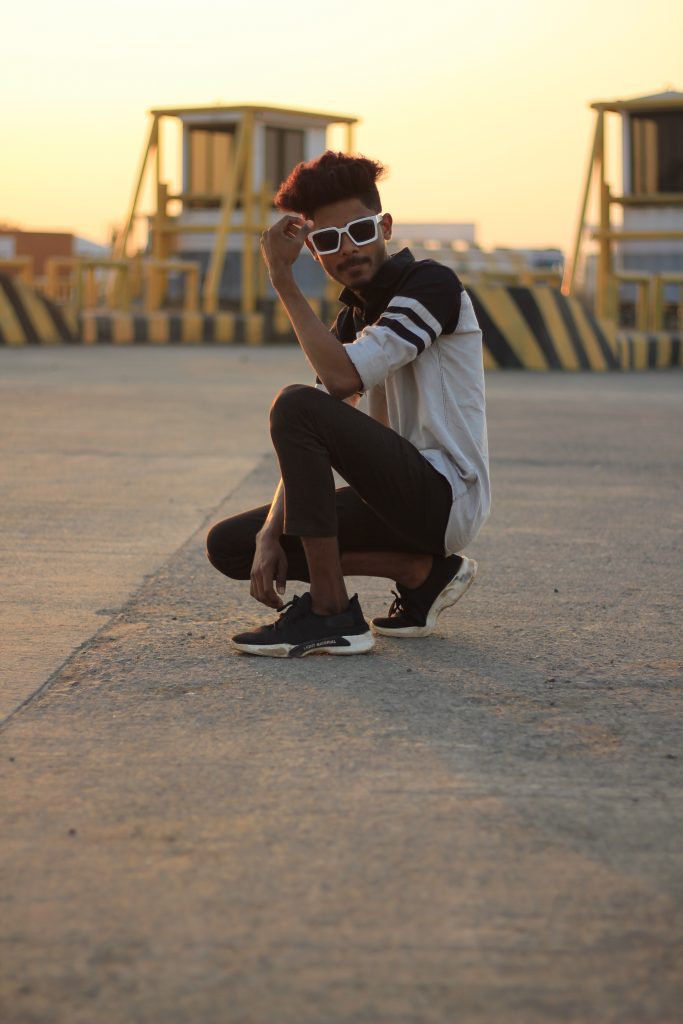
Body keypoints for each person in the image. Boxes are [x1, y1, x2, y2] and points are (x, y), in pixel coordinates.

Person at [206, 151, 490, 658]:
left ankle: (330, 612)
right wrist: (272, 533)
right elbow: (310, 433)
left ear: (383, 226)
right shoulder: (350, 322)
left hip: (446, 497)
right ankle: (421, 574)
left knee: (294, 404)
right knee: (233, 545)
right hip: (394, 500)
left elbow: (335, 383)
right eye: (328, 241)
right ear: (315, 251)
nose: (347, 249)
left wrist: (281, 278)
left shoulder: (431, 286)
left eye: (359, 231)